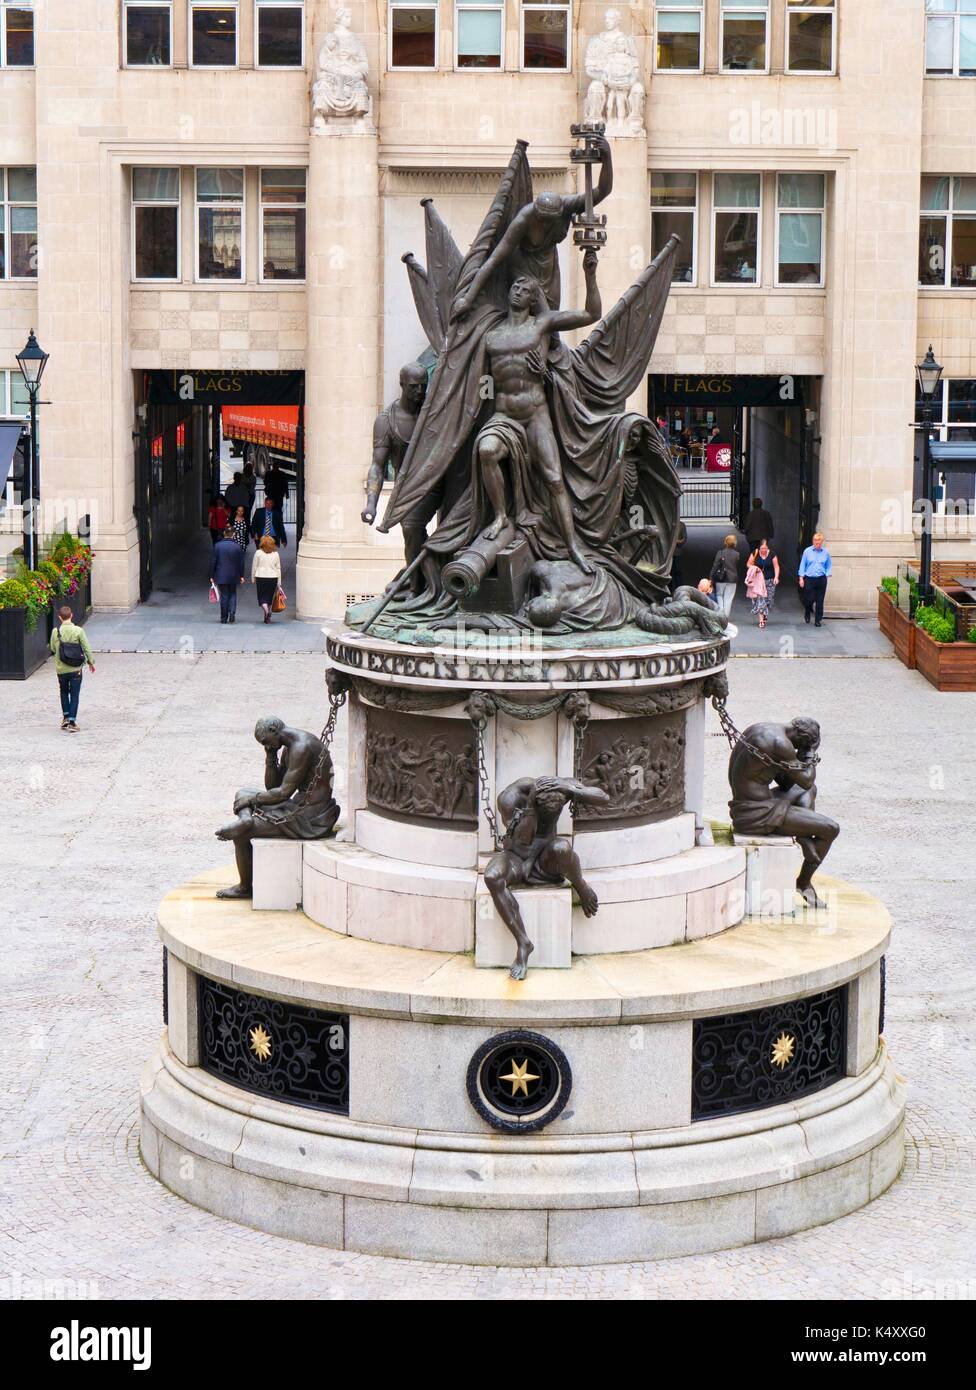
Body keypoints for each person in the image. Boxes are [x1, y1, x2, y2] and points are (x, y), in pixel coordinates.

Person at [728, 717, 839, 909]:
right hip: (756, 814)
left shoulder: (763, 728)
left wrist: (793, 763)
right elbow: (806, 780)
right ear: (800, 738)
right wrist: (809, 752)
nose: (796, 751)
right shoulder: (781, 744)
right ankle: (804, 882)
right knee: (831, 828)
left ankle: (803, 837)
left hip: (750, 804)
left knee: (807, 792)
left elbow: (787, 783)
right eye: (799, 747)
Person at [50, 605, 95, 731]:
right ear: (71, 615)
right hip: (76, 669)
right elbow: (86, 647)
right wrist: (91, 662)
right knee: (74, 694)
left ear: (60, 617)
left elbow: (53, 649)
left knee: (63, 692)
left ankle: (65, 717)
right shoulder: (78, 631)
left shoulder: (55, 631)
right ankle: (72, 722)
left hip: (61, 669)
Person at [211, 526, 245, 623]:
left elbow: (213, 561)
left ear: (224, 534)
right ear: (233, 535)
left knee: (224, 595)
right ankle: (232, 613)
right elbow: (241, 563)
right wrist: (241, 575)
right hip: (234, 575)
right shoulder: (237, 547)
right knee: (233, 594)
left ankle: (223, 617)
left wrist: (211, 575)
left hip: (221, 575)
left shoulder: (217, 546)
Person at [799, 532, 832, 627]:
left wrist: (827, 574)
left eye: (818, 541)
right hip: (809, 579)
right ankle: (807, 611)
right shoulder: (807, 551)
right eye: (815, 541)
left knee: (820, 600)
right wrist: (801, 578)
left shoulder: (826, 552)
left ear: (822, 542)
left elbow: (828, 564)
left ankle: (818, 619)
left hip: (821, 579)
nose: (816, 543)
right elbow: (802, 565)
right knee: (810, 599)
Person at [746, 539, 779, 629]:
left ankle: (765, 613)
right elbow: (748, 564)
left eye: (765, 548)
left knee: (769, 600)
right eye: (762, 548)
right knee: (760, 600)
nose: (763, 550)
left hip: (770, 580)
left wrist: (776, 577)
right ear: (759, 548)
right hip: (759, 581)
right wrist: (755, 568)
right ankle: (761, 620)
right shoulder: (755, 553)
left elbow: (776, 566)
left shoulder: (772, 554)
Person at [252, 534, 282, 624]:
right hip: (273, 577)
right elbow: (278, 568)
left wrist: (253, 578)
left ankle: (267, 612)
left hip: (261, 577)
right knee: (269, 598)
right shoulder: (276, 554)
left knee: (261, 598)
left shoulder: (258, 553)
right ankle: (266, 617)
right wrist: (279, 582)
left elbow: (254, 566)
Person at [710, 533, 740, 615]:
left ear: (725, 542)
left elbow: (715, 566)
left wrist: (711, 578)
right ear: (734, 543)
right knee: (728, 598)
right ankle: (725, 616)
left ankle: (720, 612)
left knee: (719, 595)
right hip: (732, 579)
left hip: (721, 578)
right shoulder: (737, 554)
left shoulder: (720, 553)